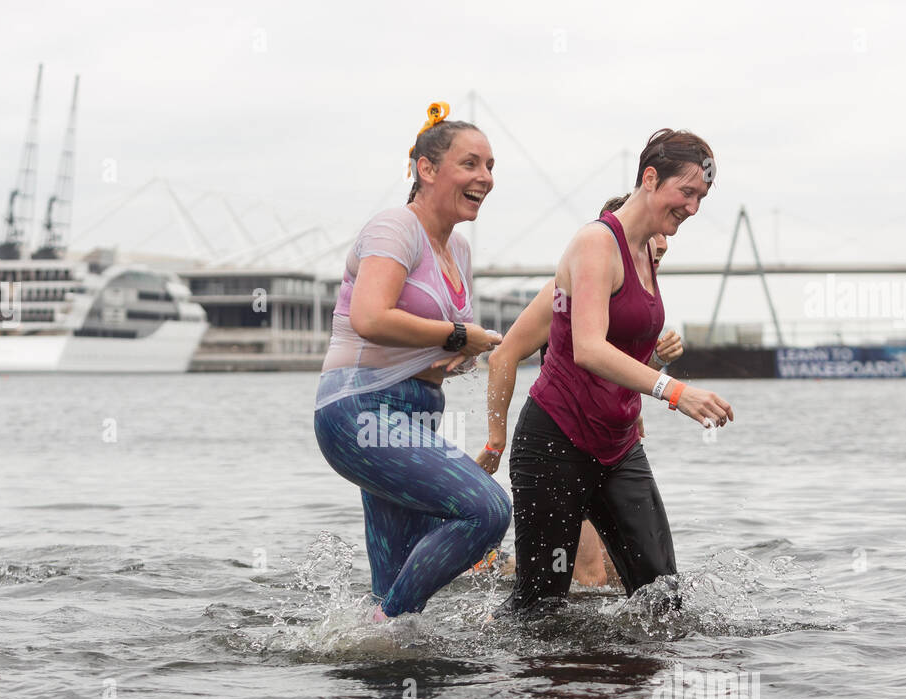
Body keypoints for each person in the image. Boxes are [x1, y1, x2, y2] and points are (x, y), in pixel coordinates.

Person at [498, 129, 734, 616]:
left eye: (701, 198)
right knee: (539, 610)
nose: (693, 208)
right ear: (650, 178)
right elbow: (588, 348)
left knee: (663, 600)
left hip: (619, 447)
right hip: (554, 443)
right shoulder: (595, 243)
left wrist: (653, 379)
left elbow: (622, 355)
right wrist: (675, 392)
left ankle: (635, 687)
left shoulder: (650, 252)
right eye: (686, 192)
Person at [313, 103, 511, 620]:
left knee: (395, 581)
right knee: (487, 510)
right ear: (426, 168)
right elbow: (371, 318)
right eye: (471, 164)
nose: (485, 178)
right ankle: (385, 626)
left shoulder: (460, 253)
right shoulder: (394, 227)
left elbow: (447, 349)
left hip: (417, 412)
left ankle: (379, 654)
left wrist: (465, 350)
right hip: (359, 411)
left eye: (491, 166)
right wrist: (459, 336)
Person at [475, 202, 682, 588]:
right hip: (563, 444)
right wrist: (495, 440)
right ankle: (499, 566)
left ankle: (507, 562)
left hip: (612, 451)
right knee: (587, 575)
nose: (661, 245)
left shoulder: (638, 299)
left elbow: (615, 375)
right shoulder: (569, 285)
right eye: (652, 235)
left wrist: (653, 360)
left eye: (665, 241)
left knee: (621, 580)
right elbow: (503, 355)